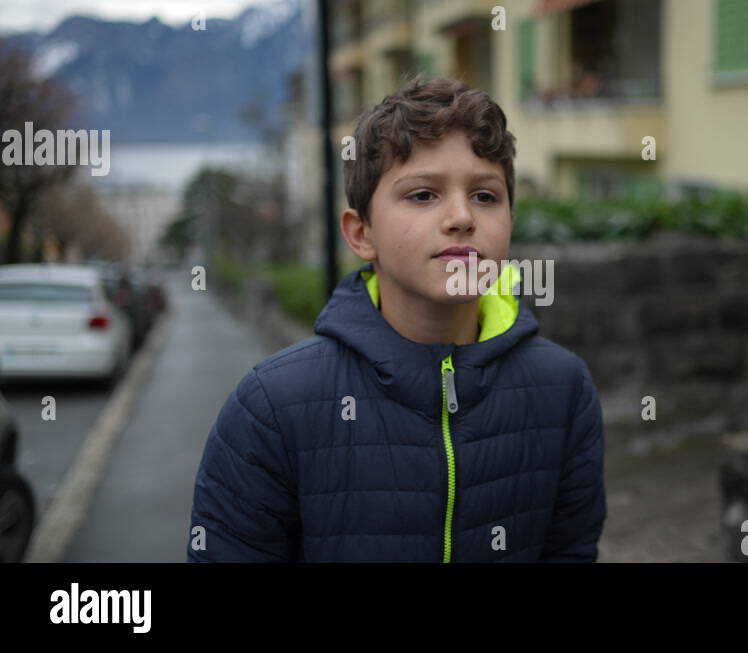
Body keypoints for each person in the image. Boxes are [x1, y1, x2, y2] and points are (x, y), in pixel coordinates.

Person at [187, 76, 607, 562]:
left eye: (486, 196)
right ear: (361, 233)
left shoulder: (564, 388)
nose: (461, 217)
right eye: (423, 195)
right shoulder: (272, 408)